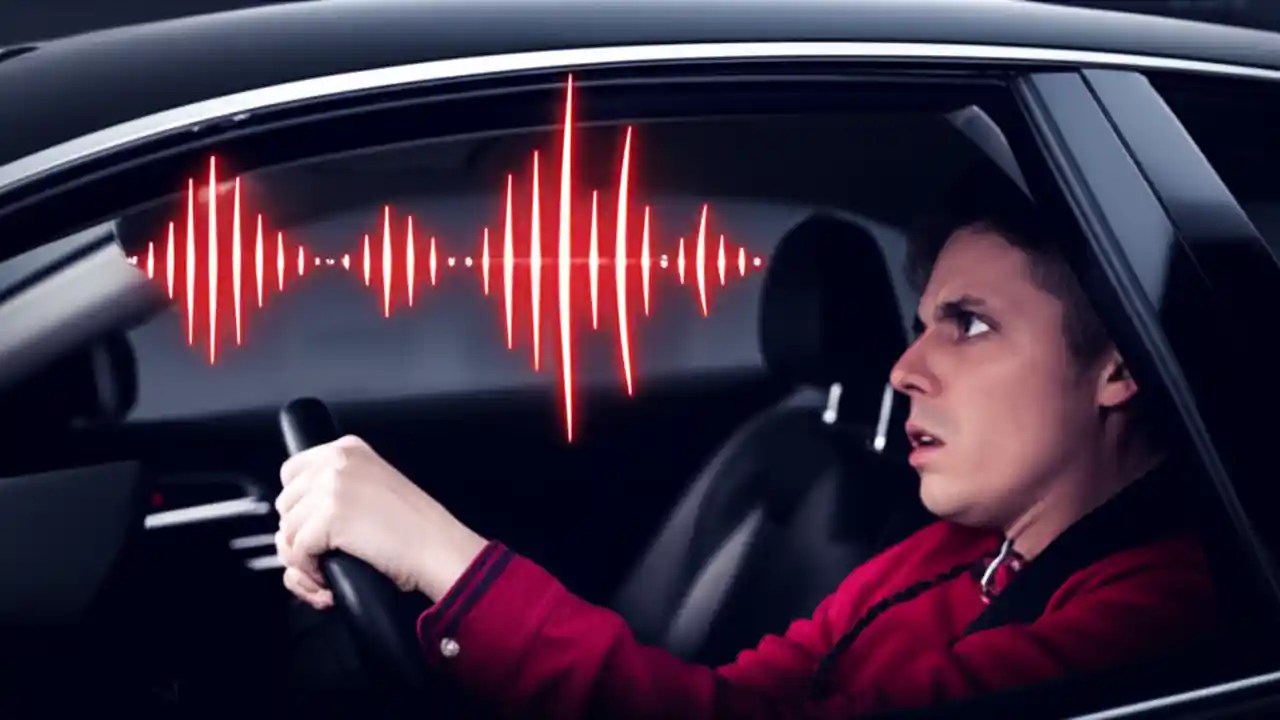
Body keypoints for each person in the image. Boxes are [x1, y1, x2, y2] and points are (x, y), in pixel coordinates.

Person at [273, 165, 1217, 718]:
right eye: (923, 322)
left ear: (1120, 367)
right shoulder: (948, 552)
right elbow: (736, 701)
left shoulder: (1158, 614)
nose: (903, 369)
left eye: (967, 324)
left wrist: (448, 561)